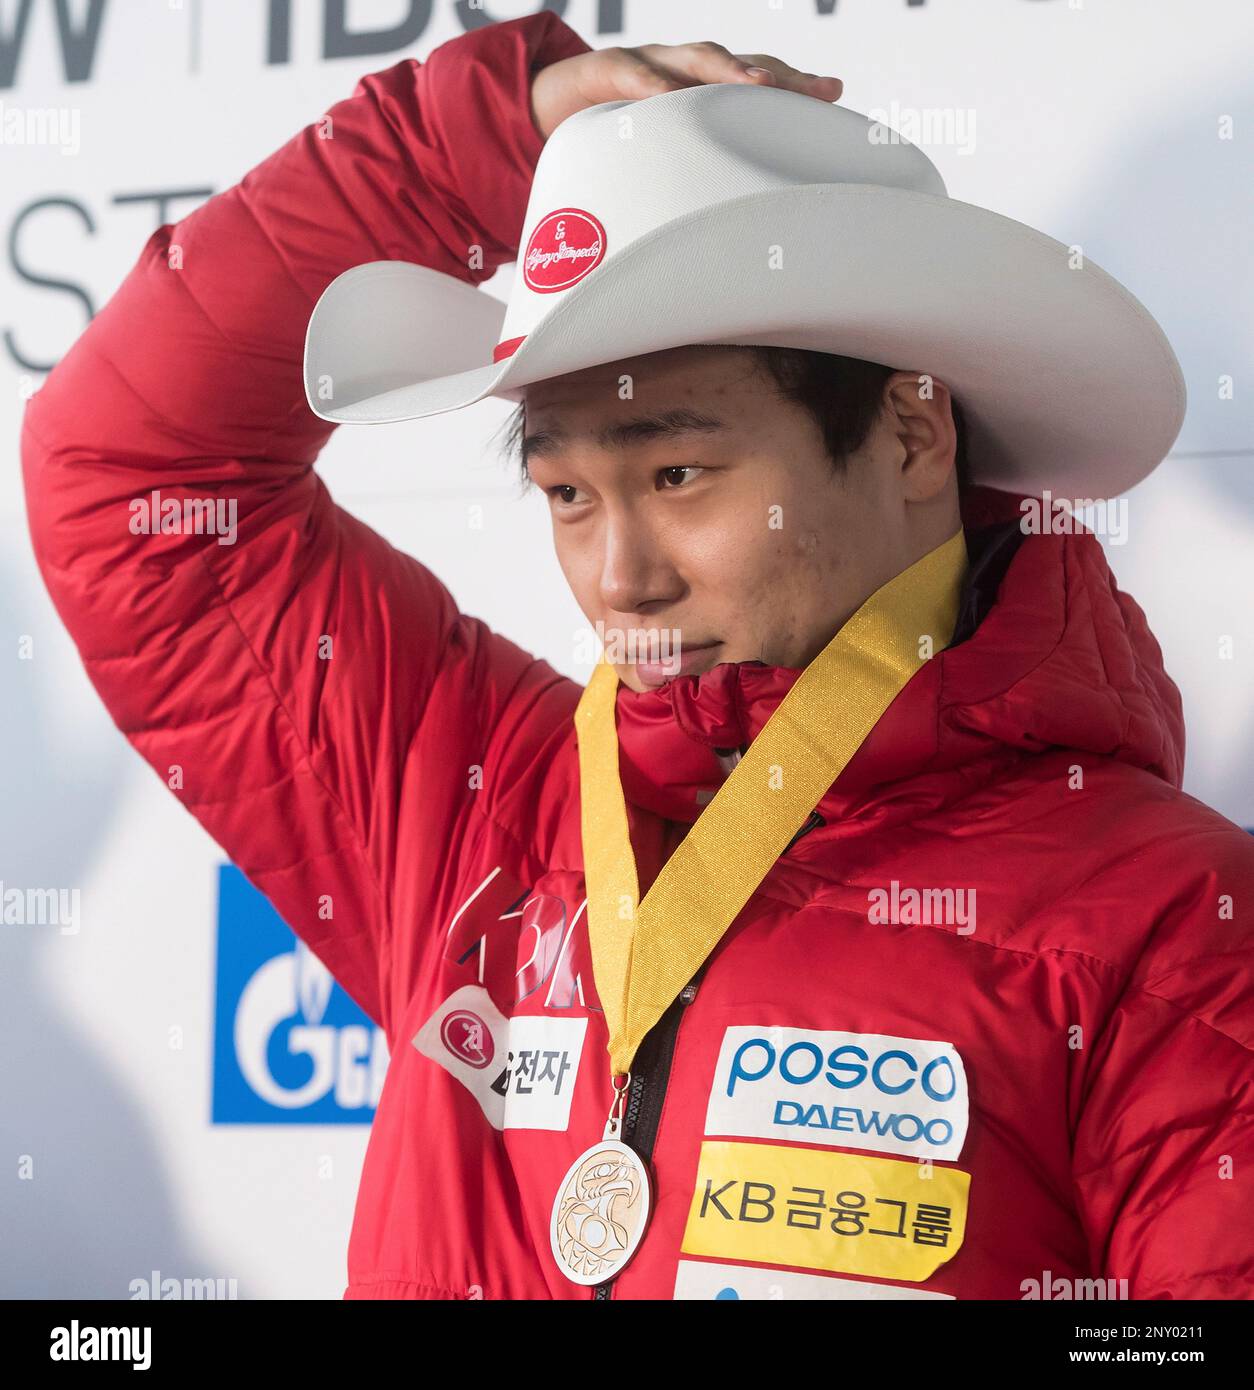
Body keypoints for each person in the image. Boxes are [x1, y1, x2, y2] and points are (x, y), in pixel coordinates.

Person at [21, 12, 1254, 1301]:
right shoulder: (474, 801)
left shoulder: (1173, 929)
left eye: (679, 474)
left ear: (909, 434)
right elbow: (132, 481)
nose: (624, 581)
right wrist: (466, 151)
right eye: (565, 495)